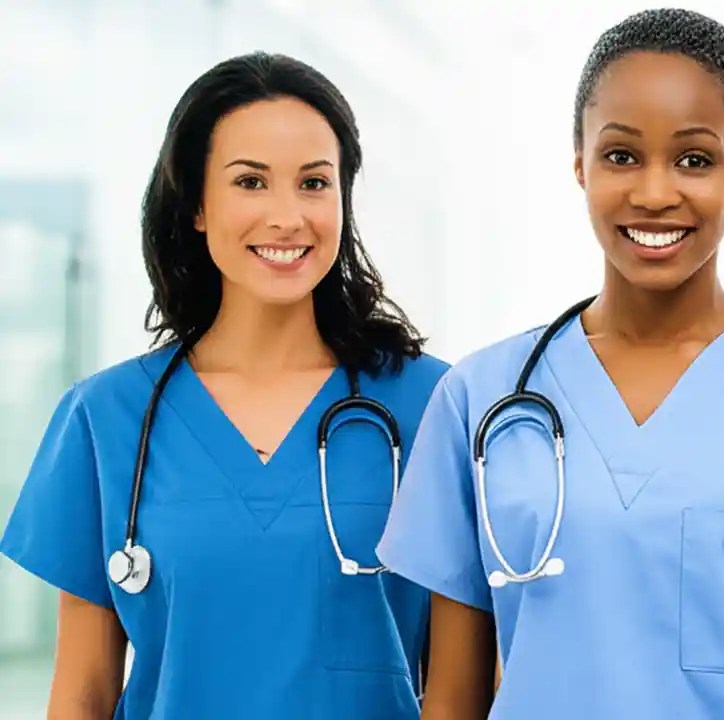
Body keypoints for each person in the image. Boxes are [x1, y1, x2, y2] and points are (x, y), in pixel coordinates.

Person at [375, 9, 724, 719]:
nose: (655, 192)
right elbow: (452, 699)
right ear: (579, 162)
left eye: (694, 159)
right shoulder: (480, 398)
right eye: (621, 155)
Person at [0, 52, 448, 719]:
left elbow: (468, 680)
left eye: (314, 183)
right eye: (251, 182)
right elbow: (83, 692)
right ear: (197, 206)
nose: (288, 216)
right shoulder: (107, 419)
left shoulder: (430, 405)